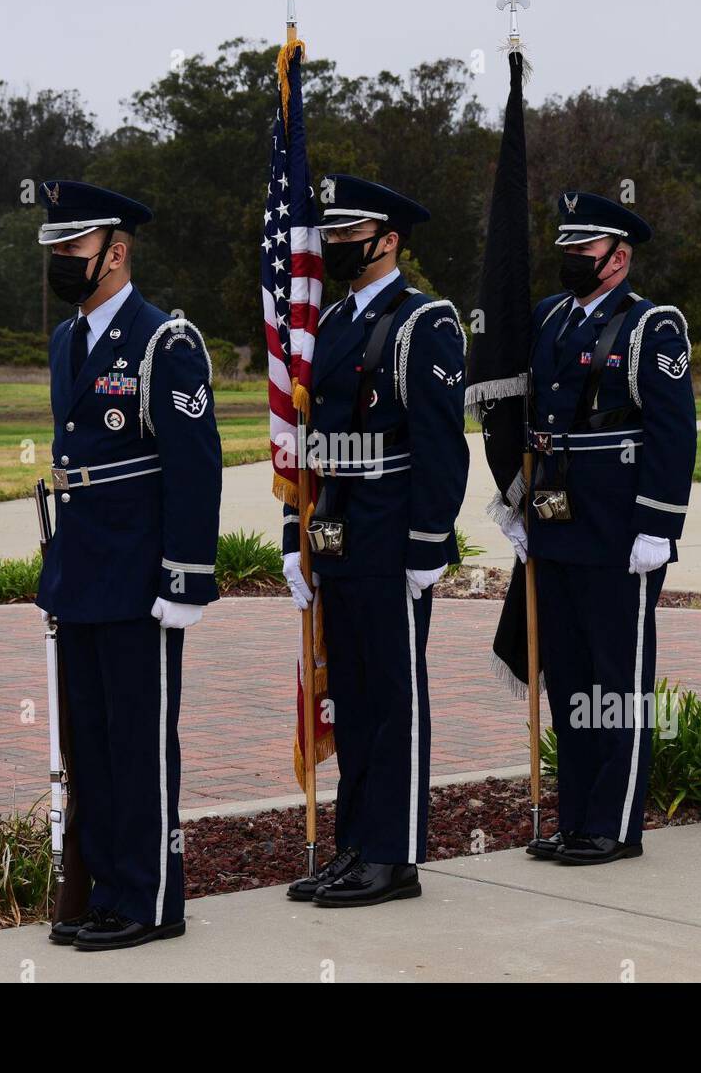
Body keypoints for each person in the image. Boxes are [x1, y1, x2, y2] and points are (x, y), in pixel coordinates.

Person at [35, 180, 221, 948]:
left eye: (72, 248)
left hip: (141, 575)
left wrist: (185, 576)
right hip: (80, 567)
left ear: (115, 250)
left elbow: (195, 466)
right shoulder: (66, 340)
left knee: (139, 742)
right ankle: (101, 888)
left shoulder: (163, 341)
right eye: (54, 249)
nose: (60, 261)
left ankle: (147, 901)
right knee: (92, 741)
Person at [282, 175, 469, 907]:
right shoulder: (330, 323)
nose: (335, 244)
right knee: (352, 696)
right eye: (331, 233)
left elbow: (442, 446)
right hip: (336, 528)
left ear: (388, 240)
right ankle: (354, 844)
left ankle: (394, 855)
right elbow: (307, 440)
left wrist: (428, 542)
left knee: (394, 693)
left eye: (349, 233)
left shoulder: (427, 323)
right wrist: (295, 539)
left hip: (393, 531)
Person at [497, 191, 697, 865]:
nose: (573, 260)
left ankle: (614, 824)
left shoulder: (651, 327)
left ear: (620, 257)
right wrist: (520, 507)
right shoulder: (550, 318)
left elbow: (674, 433)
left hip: (618, 529)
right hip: (556, 523)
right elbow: (531, 420)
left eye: (586, 251)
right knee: (571, 677)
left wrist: (658, 525)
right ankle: (575, 817)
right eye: (569, 249)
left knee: (618, 679)